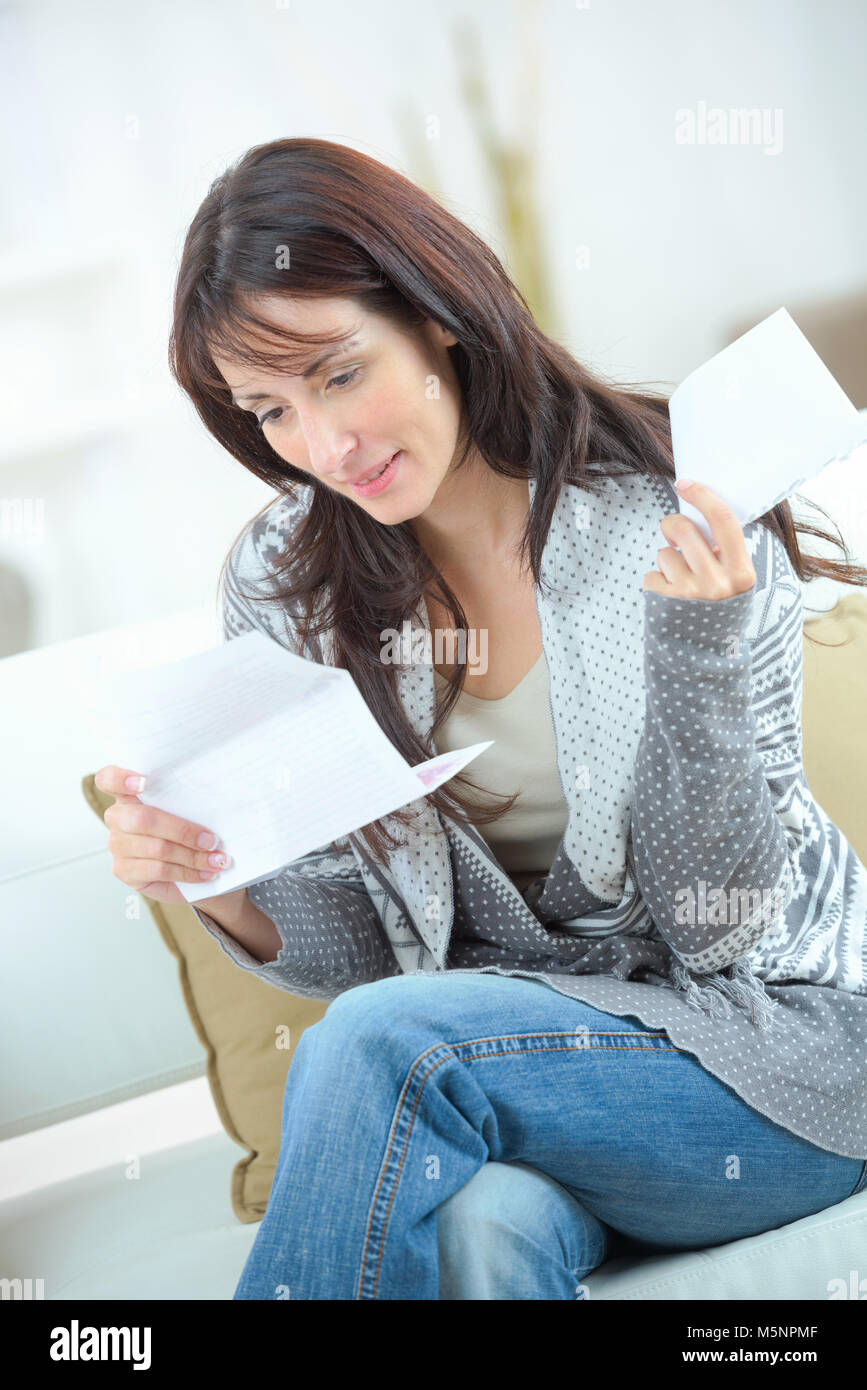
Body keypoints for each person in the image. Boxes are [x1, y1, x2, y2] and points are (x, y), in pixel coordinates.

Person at [97, 137, 867, 1300]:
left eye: (341, 374)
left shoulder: (682, 502)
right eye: (271, 410)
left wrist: (698, 648)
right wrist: (219, 879)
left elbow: (720, 934)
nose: (322, 447)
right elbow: (368, 956)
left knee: (382, 1045)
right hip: (532, 1082)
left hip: (775, 1055)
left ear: (436, 315)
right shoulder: (283, 581)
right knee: (480, 1233)